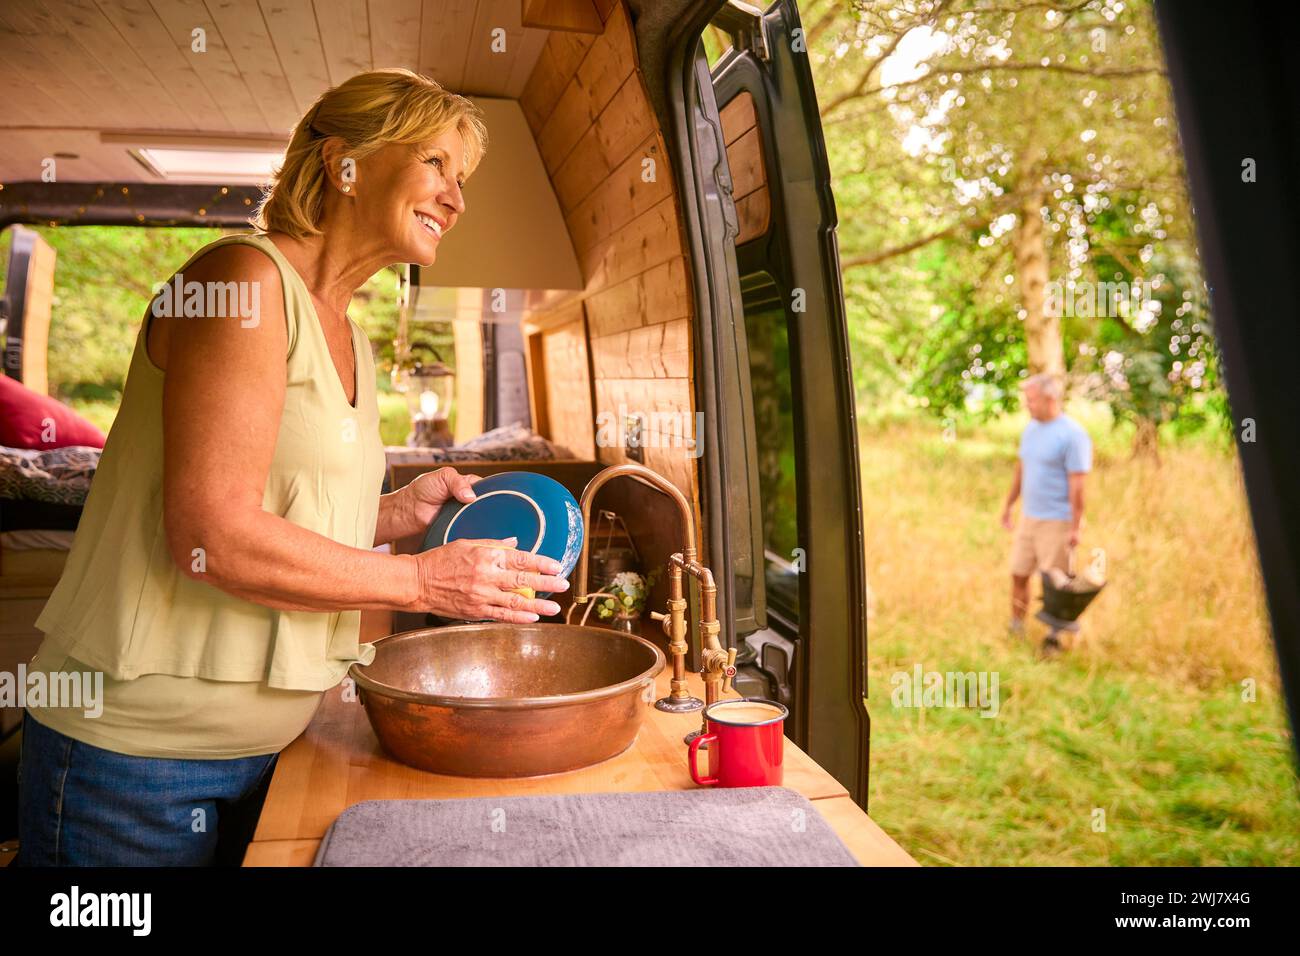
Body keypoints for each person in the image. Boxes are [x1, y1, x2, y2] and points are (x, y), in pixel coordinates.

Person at [16, 69, 570, 866]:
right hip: (135, 762)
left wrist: (396, 513)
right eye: (436, 165)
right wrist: (420, 582)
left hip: (273, 747)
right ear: (345, 162)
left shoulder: (348, 333)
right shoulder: (239, 282)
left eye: (463, 178)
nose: (456, 197)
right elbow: (213, 534)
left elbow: (278, 510)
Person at [999, 373, 1091, 642]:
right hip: (1030, 518)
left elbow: (1078, 487)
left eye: (1032, 400)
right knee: (1018, 573)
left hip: (1057, 521)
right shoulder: (1031, 429)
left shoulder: (1073, 436)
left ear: (1050, 399)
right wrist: (1009, 505)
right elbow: (1021, 469)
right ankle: (1016, 626)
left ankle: (1057, 638)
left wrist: (1075, 527)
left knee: (1056, 583)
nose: (1027, 405)